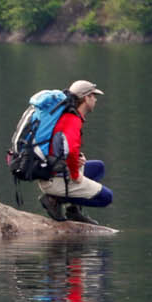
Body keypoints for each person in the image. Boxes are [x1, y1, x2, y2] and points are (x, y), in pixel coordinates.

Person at [39, 80, 111, 223]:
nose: (95, 99)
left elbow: (64, 148)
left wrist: (78, 158)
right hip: (54, 179)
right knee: (107, 197)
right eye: (93, 96)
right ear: (86, 98)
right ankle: (54, 199)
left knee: (98, 167)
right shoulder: (72, 119)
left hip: (51, 172)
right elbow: (70, 150)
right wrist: (75, 175)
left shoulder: (67, 115)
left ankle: (73, 210)